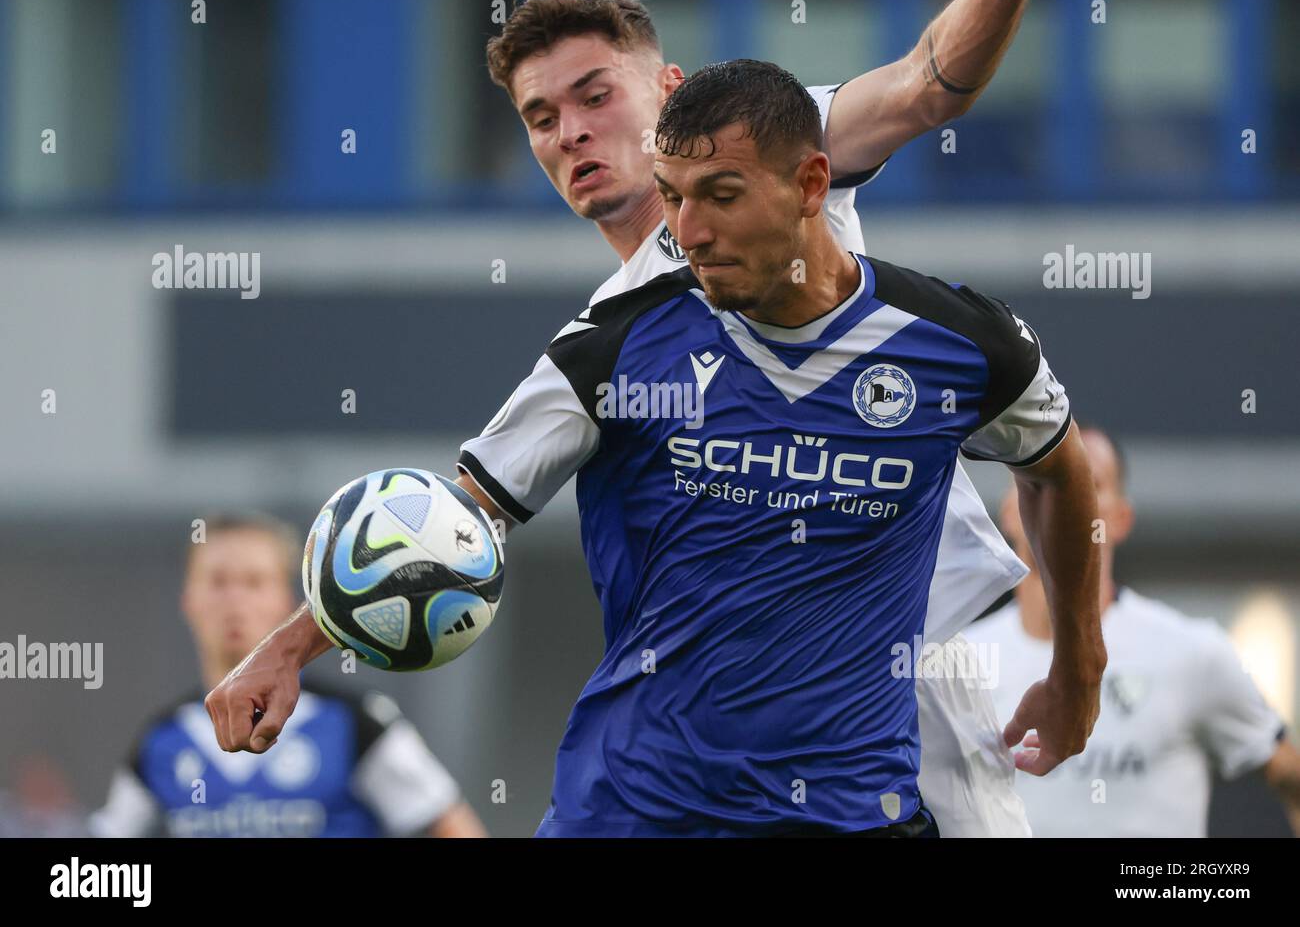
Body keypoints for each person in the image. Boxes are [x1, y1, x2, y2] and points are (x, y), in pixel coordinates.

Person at [209, 60, 1104, 837]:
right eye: (674, 199)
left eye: (720, 196)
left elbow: (1058, 472)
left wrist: (1078, 665)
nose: (693, 231)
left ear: (810, 184)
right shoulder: (615, 345)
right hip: (635, 804)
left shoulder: (960, 343)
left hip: (842, 809)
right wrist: (289, 648)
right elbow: (456, 517)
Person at [483, 0, 1040, 836]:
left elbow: (926, 83)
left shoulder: (763, 136)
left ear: (669, 90)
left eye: (595, 95)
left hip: (911, 668)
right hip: (736, 712)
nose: (572, 131)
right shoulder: (609, 334)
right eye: (541, 116)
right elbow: (469, 500)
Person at [967, 426, 1300, 837]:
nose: (1060, 500)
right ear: (1007, 510)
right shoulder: (958, 662)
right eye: (1036, 483)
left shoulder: (1190, 653)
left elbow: (1290, 777)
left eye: (1088, 485)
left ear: (1121, 519)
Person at [92, 513, 485, 837]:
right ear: (188, 600)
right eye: (218, 582)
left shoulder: (355, 723)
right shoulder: (161, 741)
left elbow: (453, 829)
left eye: (254, 582)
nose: (235, 601)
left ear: (289, 602)